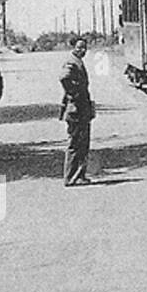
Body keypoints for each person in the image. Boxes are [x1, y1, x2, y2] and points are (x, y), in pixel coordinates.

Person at [59, 36, 95, 186]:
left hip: (81, 108)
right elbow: (64, 78)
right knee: (75, 143)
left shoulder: (77, 61)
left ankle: (79, 175)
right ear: (73, 47)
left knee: (82, 143)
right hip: (76, 109)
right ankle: (70, 177)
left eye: (84, 47)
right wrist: (74, 94)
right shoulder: (71, 62)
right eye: (79, 47)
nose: (83, 50)